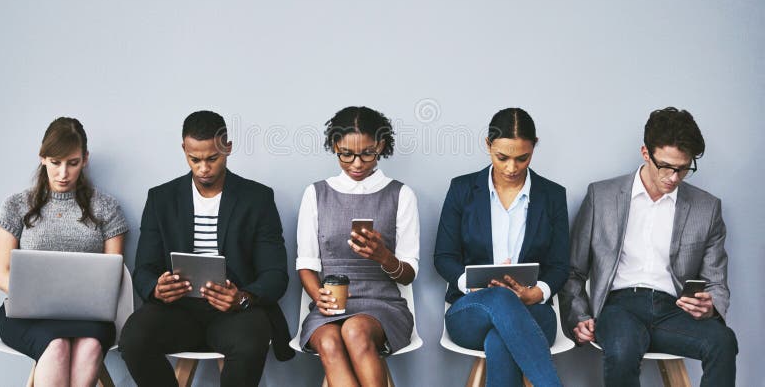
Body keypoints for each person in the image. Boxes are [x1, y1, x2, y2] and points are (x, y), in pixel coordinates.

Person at [559, 107, 738, 386]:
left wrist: (711, 307)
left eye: (683, 168)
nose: (674, 177)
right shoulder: (602, 196)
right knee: (622, 350)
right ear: (646, 153)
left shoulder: (707, 208)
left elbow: (716, 283)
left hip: (674, 310)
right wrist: (579, 316)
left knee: (723, 341)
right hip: (619, 307)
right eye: (666, 166)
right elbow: (573, 271)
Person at [119, 110, 293, 387]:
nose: (203, 168)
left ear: (228, 148)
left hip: (234, 313)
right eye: (194, 159)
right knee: (133, 339)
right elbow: (144, 269)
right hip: (176, 311)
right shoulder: (160, 199)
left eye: (212, 158)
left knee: (251, 341)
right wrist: (156, 288)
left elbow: (275, 274)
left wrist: (242, 298)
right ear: (184, 150)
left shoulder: (257, 199)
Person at [434, 108, 568, 387]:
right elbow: (444, 257)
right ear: (488, 145)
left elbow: (559, 266)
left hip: (533, 310)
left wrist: (537, 293)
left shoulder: (553, 195)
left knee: (500, 339)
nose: (511, 168)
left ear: (534, 147)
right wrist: (471, 285)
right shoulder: (462, 189)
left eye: (522, 158)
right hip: (470, 311)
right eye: (502, 157)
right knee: (499, 298)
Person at [0, 117, 128, 387]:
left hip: (88, 317)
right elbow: (2, 274)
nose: (63, 173)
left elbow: (113, 276)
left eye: (72, 163)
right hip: (28, 316)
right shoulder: (16, 206)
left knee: (89, 347)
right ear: (43, 158)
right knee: (56, 348)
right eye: (55, 163)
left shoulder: (107, 208)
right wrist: (39, 298)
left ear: (85, 159)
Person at [296, 106, 420, 387]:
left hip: (383, 305)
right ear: (335, 146)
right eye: (346, 154)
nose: (357, 163)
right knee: (328, 342)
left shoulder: (400, 194)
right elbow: (306, 264)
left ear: (381, 146)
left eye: (367, 153)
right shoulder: (316, 193)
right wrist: (319, 298)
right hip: (329, 306)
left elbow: (409, 274)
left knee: (354, 330)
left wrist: (384, 257)